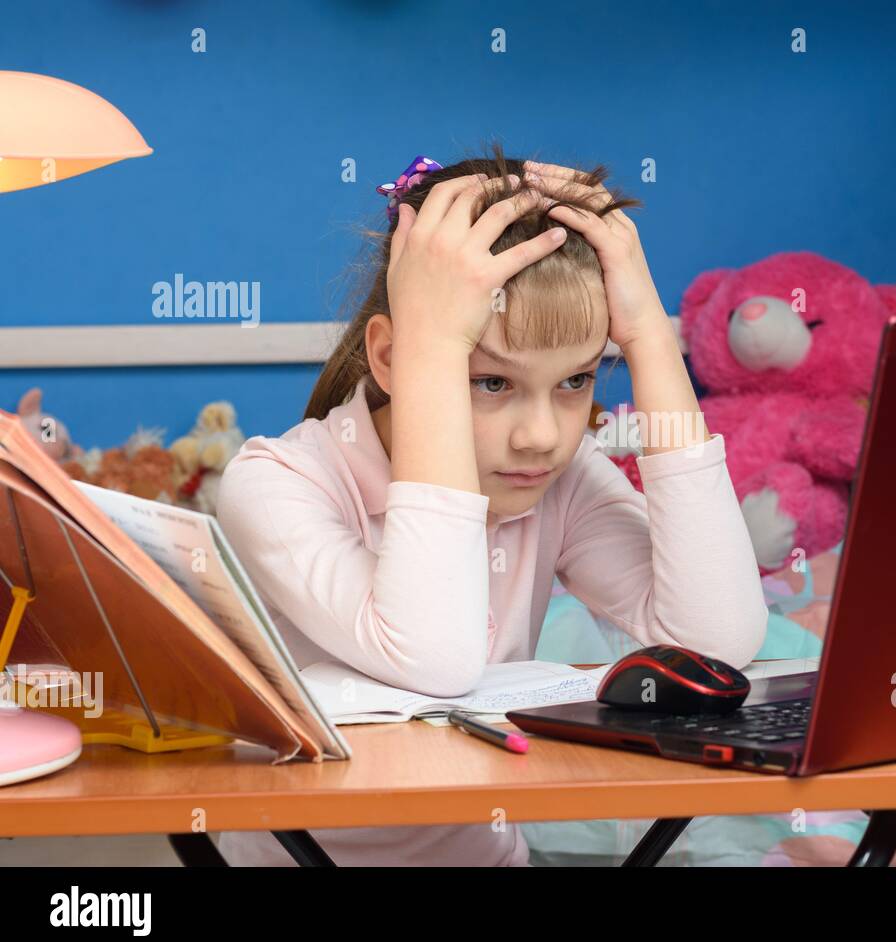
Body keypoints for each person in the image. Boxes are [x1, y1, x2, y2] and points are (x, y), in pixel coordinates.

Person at [213, 145, 768, 865]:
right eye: (491, 383)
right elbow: (436, 658)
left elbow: (716, 645)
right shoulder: (275, 483)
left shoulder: (563, 481)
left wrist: (650, 337)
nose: (542, 437)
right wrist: (436, 348)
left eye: (575, 381)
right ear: (389, 358)